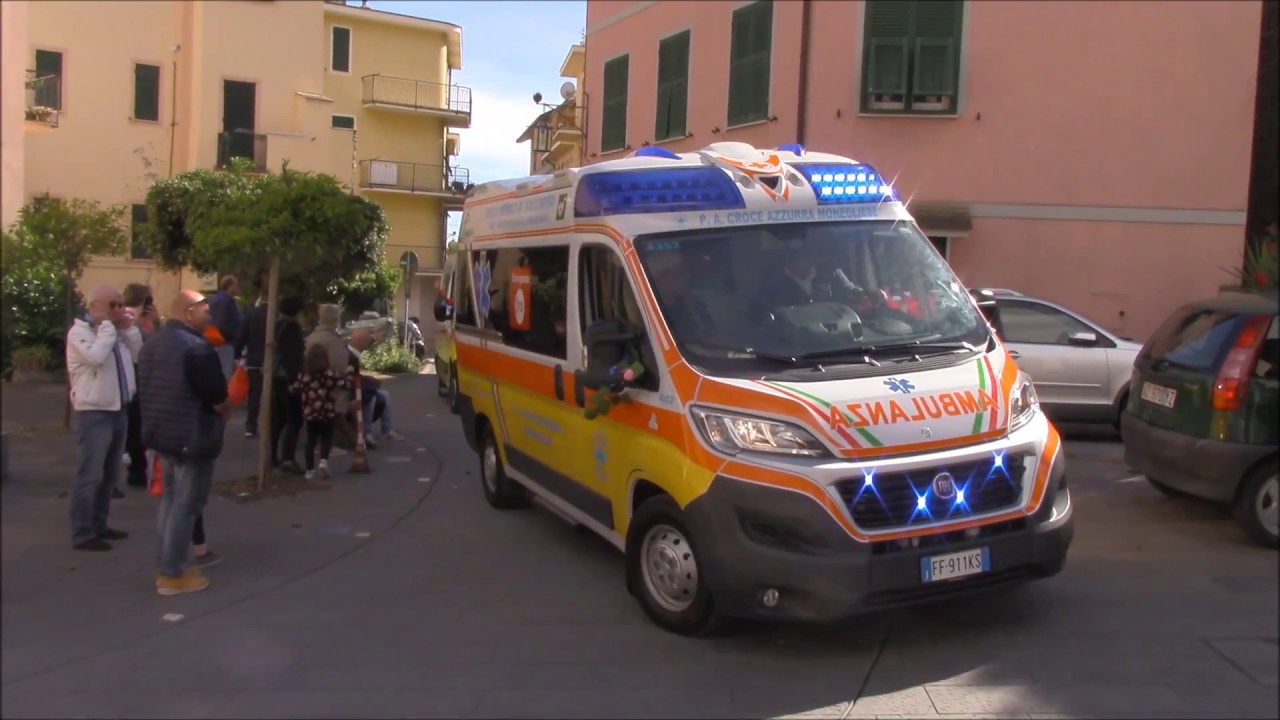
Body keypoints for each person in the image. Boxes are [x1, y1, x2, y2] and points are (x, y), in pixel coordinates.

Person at [137, 289, 229, 595]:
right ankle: (171, 573)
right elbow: (217, 396)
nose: (210, 314)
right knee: (186, 504)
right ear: (188, 312)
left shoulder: (152, 344)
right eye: (205, 309)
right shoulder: (197, 348)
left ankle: (168, 564)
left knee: (171, 500)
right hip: (191, 435)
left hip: (161, 433)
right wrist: (225, 409)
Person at [66, 284, 143, 551]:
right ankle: (82, 532)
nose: (119, 310)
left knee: (110, 475)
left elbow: (138, 354)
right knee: (90, 474)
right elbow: (96, 358)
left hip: (119, 407)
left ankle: (100, 524)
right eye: (113, 305)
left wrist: (128, 327)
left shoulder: (114, 332)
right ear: (95, 306)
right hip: (94, 411)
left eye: (122, 305)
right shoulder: (80, 333)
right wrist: (109, 327)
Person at [121, 283, 160, 491]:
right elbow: (147, 347)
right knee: (135, 425)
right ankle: (136, 468)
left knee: (137, 424)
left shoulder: (143, 321)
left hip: (142, 379)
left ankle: (138, 465)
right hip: (135, 379)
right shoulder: (130, 320)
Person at [291, 344, 349, 480]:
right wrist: (349, 373)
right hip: (327, 412)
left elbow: (294, 389)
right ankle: (323, 461)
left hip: (310, 413)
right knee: (327, 438)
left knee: (311, 441)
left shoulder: (304, 376)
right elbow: (345, 385)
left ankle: (309, 470)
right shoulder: (328, 374)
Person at [271, 297, 306, 473]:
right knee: (295, 418)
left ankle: (271, 455)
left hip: (276, 375)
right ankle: (288, 458)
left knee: (279, 418)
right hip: (287, 377)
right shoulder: (291, 327)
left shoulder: (276, 324)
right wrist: (295, 380)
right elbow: (292, 355)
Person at [235, 288, 268, 439]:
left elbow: (242, 336)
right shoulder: (277, 315)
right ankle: (270, 426)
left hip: (254, 360)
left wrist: (237, 355)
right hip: (271, 361)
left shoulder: (251, 314)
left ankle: (251, 426)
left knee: (254, 395)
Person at [207, 275, 243, 380]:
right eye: (236, 285)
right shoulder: (226, 301)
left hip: (214, 341)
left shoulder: (215, 299)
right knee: (225, 376)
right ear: (229, 285)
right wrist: (236, 333)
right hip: (225, 343)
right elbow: (221, 323)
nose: (238, 288)